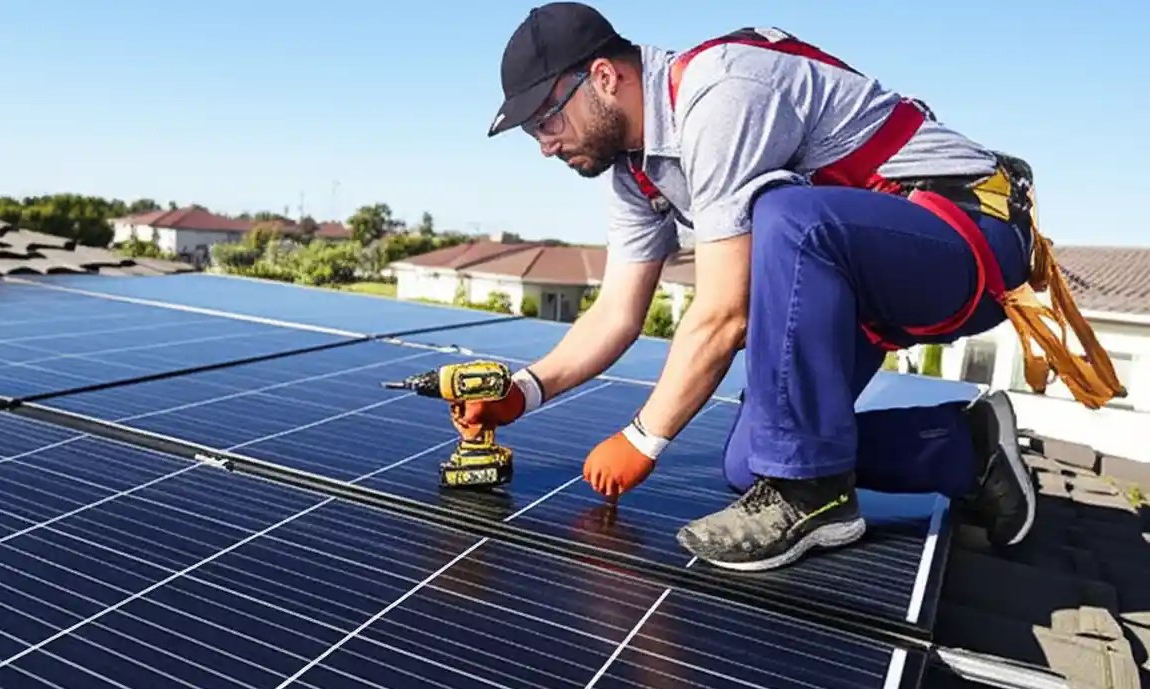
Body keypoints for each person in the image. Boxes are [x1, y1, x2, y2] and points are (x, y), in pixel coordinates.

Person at [461, 2, 1124, 572]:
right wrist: (524, 392)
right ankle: (966, 447)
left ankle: (817, 503)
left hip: (966, 236)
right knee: (759, 460)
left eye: (547, 118)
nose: (545, 144)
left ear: (604, 77)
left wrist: (643, 437)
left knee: (785, 217)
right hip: (863, 283)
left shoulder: (719, 94)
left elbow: (724, 311)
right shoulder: (636, 175)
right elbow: (615, 314)